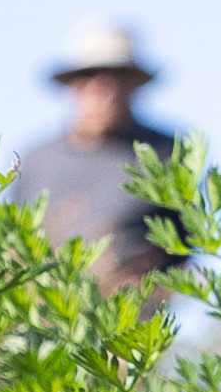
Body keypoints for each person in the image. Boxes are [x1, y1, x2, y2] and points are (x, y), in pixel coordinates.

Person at [15, 19, 182, 285]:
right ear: (73, 86)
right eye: (91, 77)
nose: (104, 89)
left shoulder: (167, 153)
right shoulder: (34, 161)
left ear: (135, 85)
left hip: (132, 311)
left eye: (118, 77)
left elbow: (185, 245)